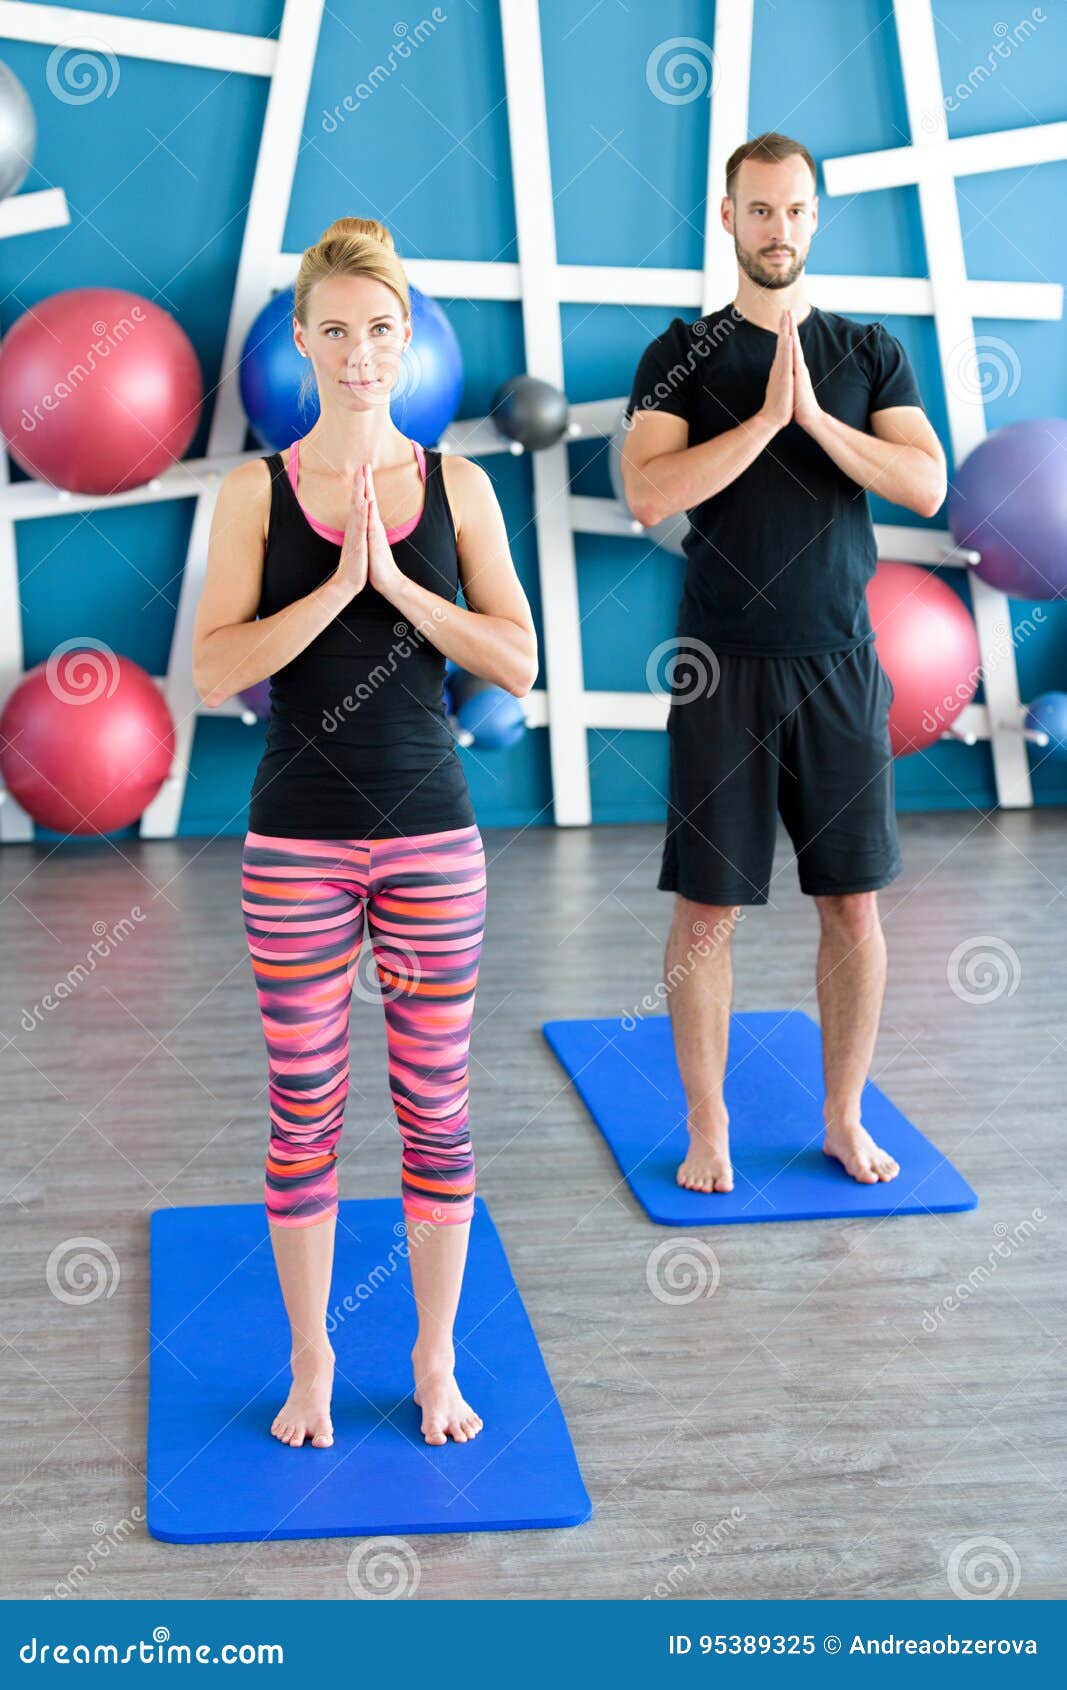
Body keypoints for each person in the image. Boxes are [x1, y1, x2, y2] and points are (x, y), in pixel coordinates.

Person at [192, 217, 537, 1449]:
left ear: (406, 339)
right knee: (304, 1107)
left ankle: (434, 1359)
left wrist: (396, 586)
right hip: (296, 839)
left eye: (377, 330)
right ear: (301, 339)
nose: (357, 353)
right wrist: (333, 587)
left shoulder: (459, 488)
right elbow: (211, 666)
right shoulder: (256, 490)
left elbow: (515, 657)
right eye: (333, 331)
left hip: (431, 838)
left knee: (435, 1104)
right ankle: (312, 1360)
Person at [620, 132, 946, 1198]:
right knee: (707, 909)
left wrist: (813, 420)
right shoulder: (679, 351)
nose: (778, 229)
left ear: (815, 218)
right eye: (758, 211)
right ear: (726, 219)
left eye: (795, 210)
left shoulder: (865, 350)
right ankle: (707, 1124)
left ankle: (843, 1116)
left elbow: (924, 483)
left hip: (839, 665)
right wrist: (763, 422)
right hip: (722, 666)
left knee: (851, 904)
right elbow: (647, 493)